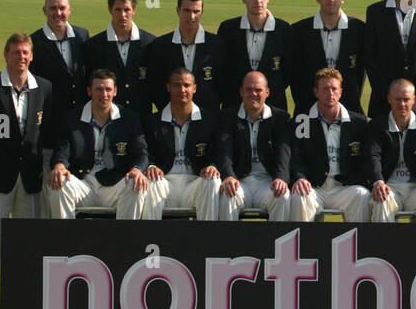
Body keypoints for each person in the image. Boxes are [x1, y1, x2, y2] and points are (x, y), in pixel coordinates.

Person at [0, 33, 52, 309]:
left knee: (27, 240)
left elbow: (47, 134)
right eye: (16, 52)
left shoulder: (44, 88)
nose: (21, 57)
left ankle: (24, 294)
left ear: (31, 56)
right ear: (6, 54)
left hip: (30, 178)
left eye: (25, 52)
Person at [43, 70, 152, 219]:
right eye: (99, 89)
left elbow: (141, 153)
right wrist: (59, 166)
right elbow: (62, 151)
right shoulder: (71, 118)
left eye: (108, 89)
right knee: (58, 180)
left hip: (114, 184)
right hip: (83, 182)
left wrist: (137, 169)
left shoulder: (130, 119)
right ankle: (65, 239)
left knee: (136, 183)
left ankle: (126, 240)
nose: (104, 94)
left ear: (115, 91)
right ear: (89, 91)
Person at [288, 69, 372, 222]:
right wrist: (299, 178)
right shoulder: (303, 120)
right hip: (314, 188)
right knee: (299, 195)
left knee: (362, 195)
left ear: (340, 92)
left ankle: (360, 245)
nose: (330, 93)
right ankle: (303, 245)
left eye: (334, 89)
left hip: (344, 188)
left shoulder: (358, 122)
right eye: (325, 89)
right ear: (316, 92)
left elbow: (365, 159)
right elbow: (296, 156)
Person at [142, 68, 226, 220]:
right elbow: (145, 152)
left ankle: (208, 240)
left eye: (186, 85)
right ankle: (152, 239)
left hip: (195, 181)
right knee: (150, 180)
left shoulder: (210, 121)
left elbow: (219, 151)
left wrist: (212, 165)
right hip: (164, 181)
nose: (182, 89)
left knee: (212, 181)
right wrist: (152, 166)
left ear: (194, 88)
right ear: (168, 87)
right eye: (176, 85)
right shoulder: (152, 122)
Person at [219, 71, 294, 221]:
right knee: (227, 195)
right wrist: (228, 176)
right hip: (240, 180)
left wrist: (281, 178)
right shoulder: (228, 116)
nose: (253, 94)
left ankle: (277, 243)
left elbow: (283, 152)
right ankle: (226, 244)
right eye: (248, 89)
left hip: (268, 181)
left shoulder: (280, 118)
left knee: (282, 196)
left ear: (267, 92)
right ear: (241, 92)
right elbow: (224, 150)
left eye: (258, 90)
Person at [367, 79, 416, 222]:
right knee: (381, 198)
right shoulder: (377, 125)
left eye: (406, 99)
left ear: (414, 100)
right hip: (389, 186)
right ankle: (383, 245)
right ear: (389, 99)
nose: (402, 104)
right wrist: (378, 182)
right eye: (397, 99)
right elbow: (373, 155)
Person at [291, 0, 366, 115]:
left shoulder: (359, 29)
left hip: (350, 109)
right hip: (308, 110)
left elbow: (361, 72)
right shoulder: (299, 30)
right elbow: (295, 75)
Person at [217, 0, 296, 111]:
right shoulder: (228, 29)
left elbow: (289, 72)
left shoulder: (284, 30)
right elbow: (223, 68)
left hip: (274, 107)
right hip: (235, 107)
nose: (258, 0)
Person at [146, 0, 231, 113]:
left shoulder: (217, 45)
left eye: (196, 11)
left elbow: (224, 85)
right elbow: (155, 86)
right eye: (187, 11)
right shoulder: (161, 45)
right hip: (172, 120)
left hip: (208, 121)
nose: (192, 16)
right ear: (178, 11)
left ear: (202, 12)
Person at [83, 0, 156, 116]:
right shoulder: (93, 45)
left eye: (127, 9)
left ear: (134, 10)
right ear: (110, 10)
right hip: (107, 119)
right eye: (118, 10)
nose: (123, 15)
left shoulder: (150, 43)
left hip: (142, 119)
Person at [29, 0, 90, 125]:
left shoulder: (82, 35)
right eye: (53, 8)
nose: (58, 13)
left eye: (62, 8)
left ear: (69, 10)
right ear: (45, 10)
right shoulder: (34, 41)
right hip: (51, 116)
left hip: (81, 113)